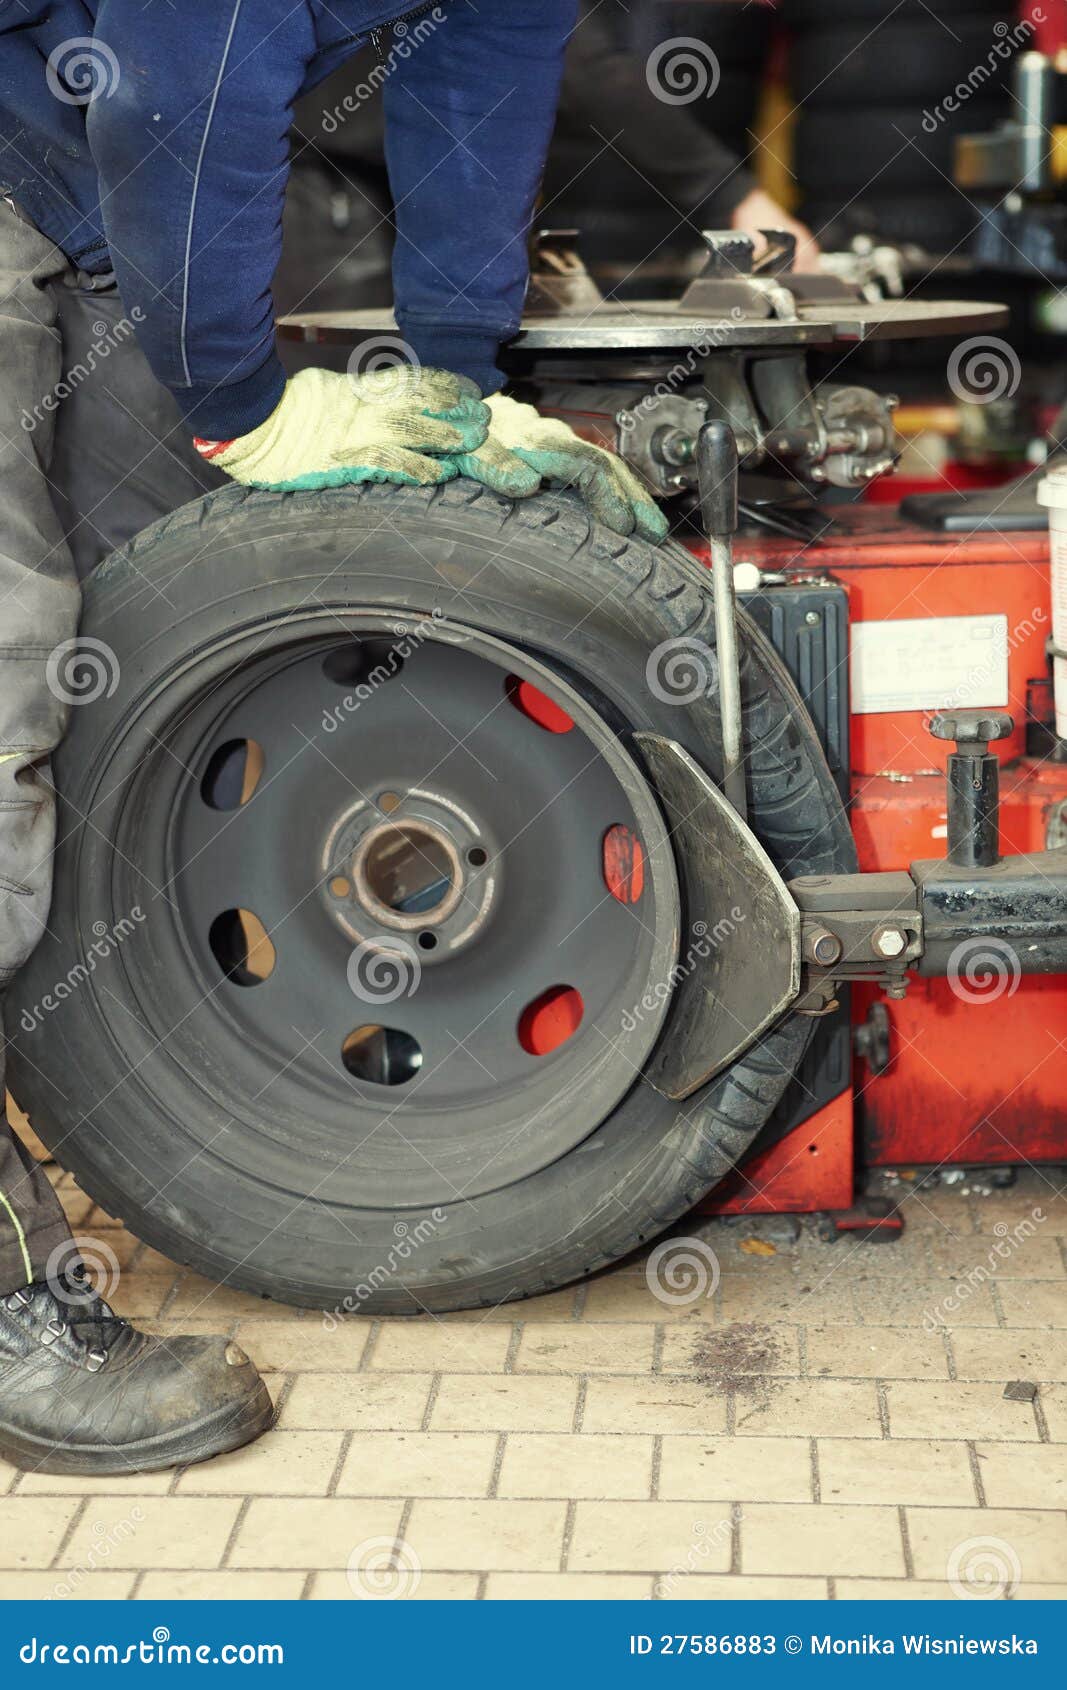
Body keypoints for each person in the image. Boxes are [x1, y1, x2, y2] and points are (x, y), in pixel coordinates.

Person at [0, 0, 666, 1476]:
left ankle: (211, 1127)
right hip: (94, 120)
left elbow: (482, 61)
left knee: (171, 638)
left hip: (70, 156)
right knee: (9, 685)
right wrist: (238, 405)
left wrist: (459, 383)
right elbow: (181, 82)